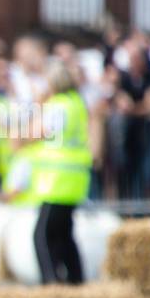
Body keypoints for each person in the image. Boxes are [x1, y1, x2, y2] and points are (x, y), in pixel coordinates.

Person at [28, 62, 92, 285]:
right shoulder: (77, 103)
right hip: (74, 179)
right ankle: (76, 281)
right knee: (64, 235)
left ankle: (51, 283)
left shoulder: (57, 105)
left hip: (57, 181)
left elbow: (38, 132)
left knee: (41, 236)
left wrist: (38, 105)